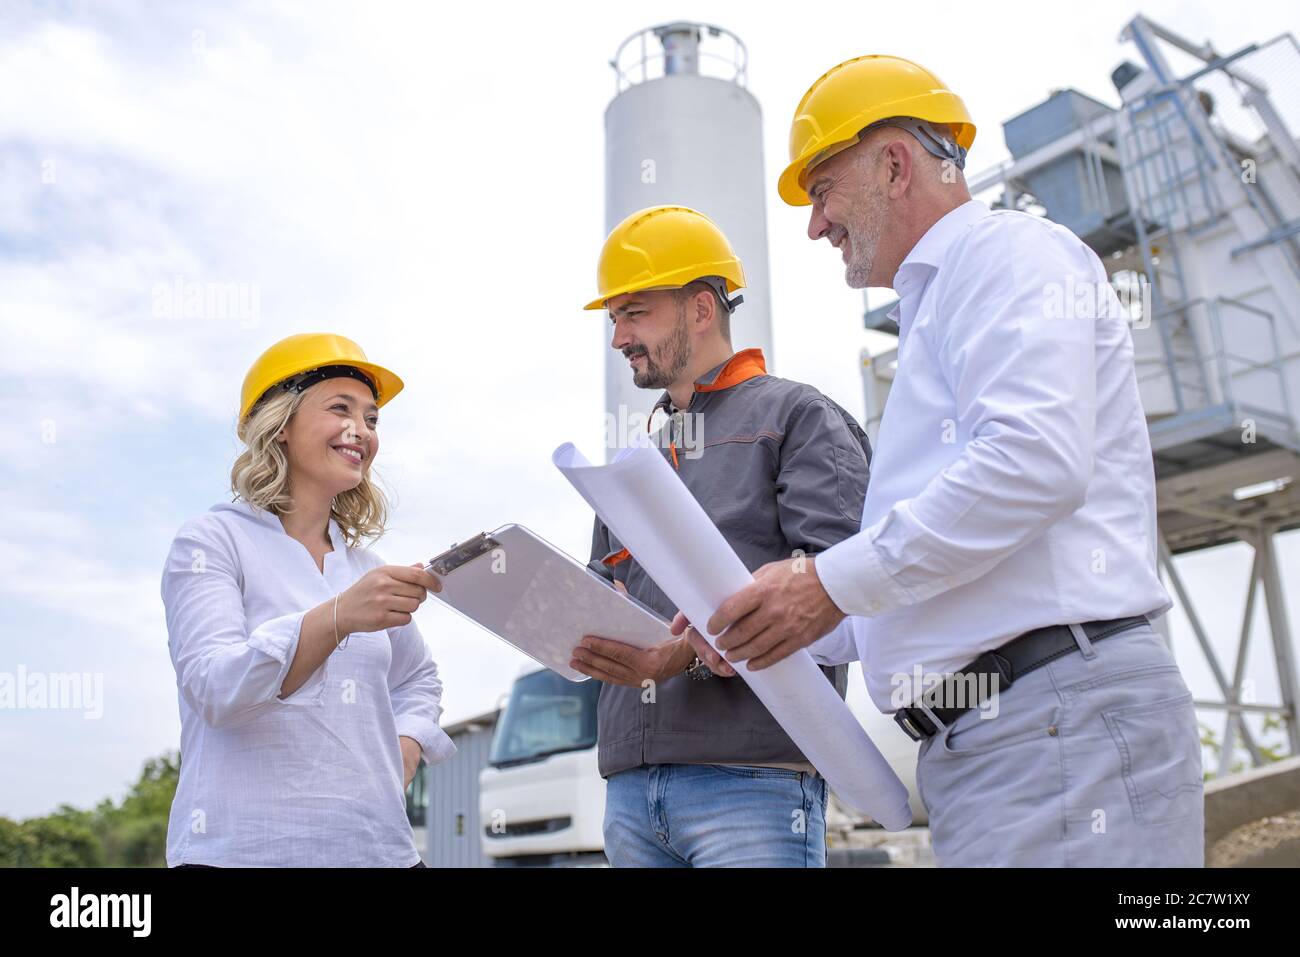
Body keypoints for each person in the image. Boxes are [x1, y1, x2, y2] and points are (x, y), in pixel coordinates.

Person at [680, 56, 1204, 866]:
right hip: (1014, 738)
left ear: (892, 164)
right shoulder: (942, 305)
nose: (814, 224)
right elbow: (922, 580)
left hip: (1053, 720)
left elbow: (1034, 463)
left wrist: (820, 585)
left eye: (821, 189)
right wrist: (764, 626)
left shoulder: (1006, 255)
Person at [571, 205, 871, 867]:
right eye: (614, 317)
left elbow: (845, 591)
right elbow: (603, 585)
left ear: (701, 309)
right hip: (629, 788)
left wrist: (692, 654)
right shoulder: (633, 459)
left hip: (754, 779)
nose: (618, 336)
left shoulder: (798, 417)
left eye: (634, 312)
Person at [161, 332, 454, 867]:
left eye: (371, 418)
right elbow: (214, 689)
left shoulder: (364, 568)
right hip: (242, 854)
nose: (361, 430)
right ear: (280, 426)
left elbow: (418, 678)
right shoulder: (211, 542)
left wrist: (408, 746)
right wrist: (337, 618)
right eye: (340, 408)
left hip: (378, 853)